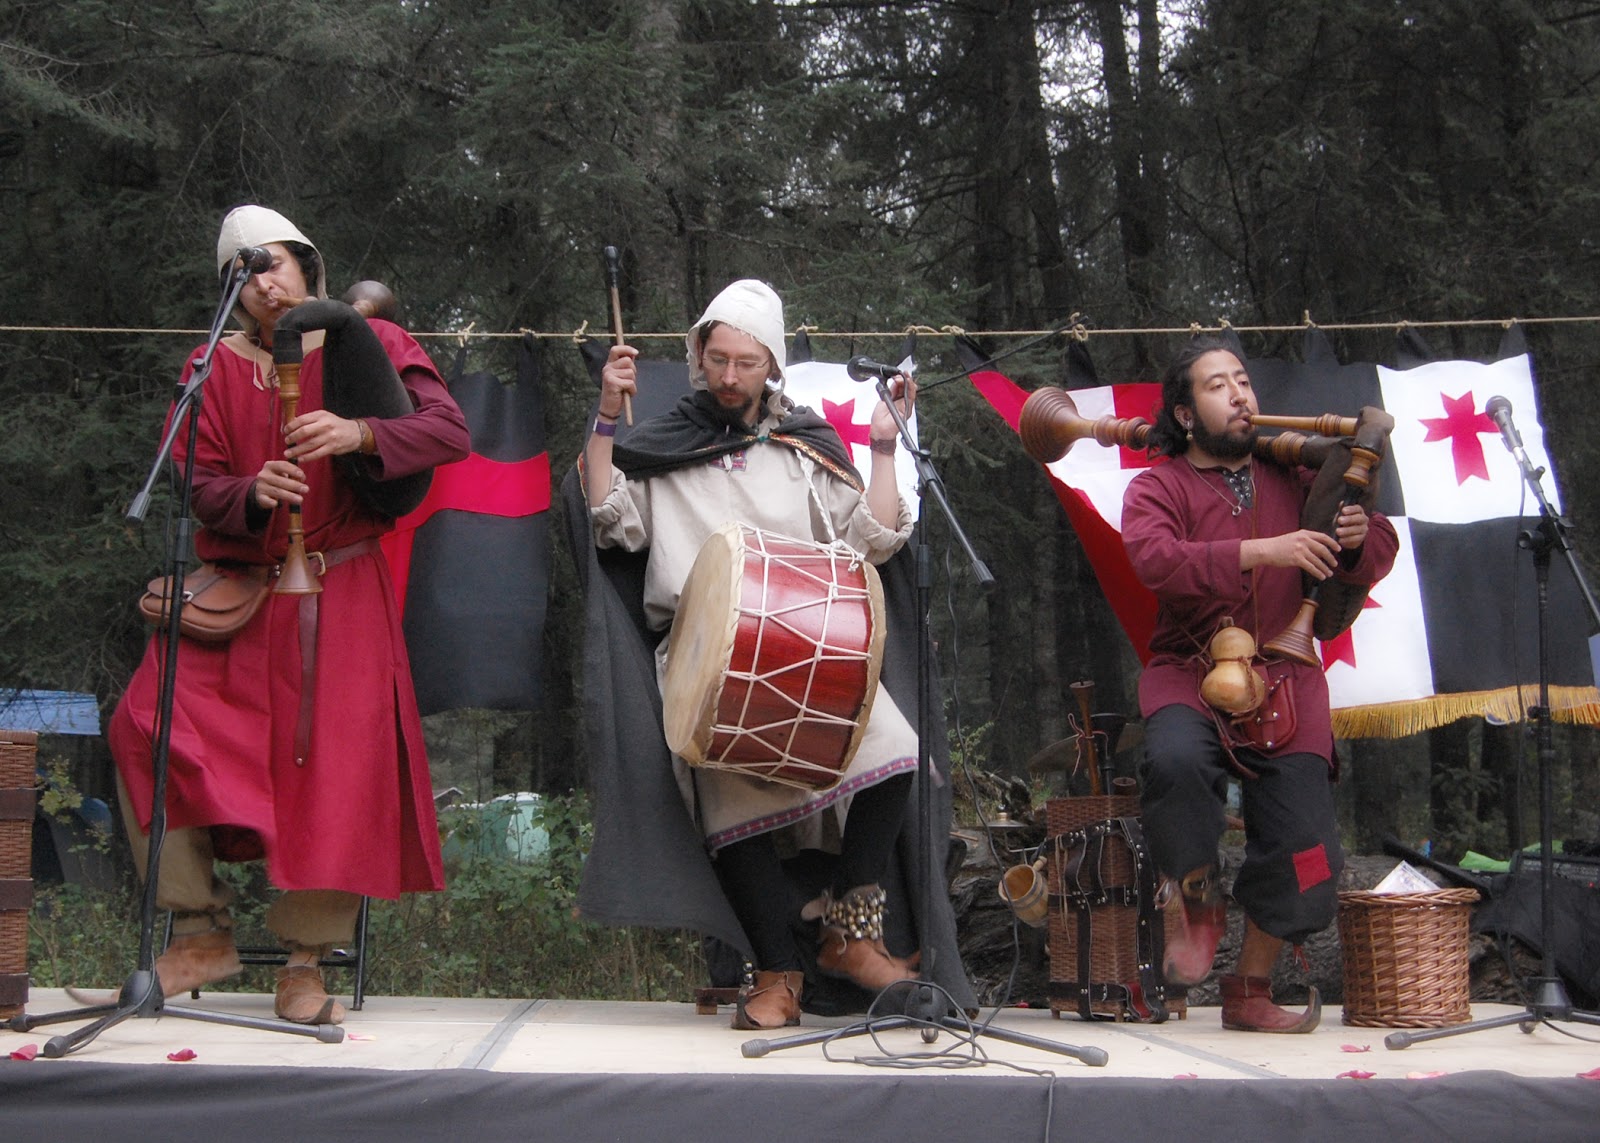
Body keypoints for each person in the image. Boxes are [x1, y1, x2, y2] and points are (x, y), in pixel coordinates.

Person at [100, 205, 469, 1024]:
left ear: (308, 265)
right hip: (241, 594)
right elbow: (196, 485)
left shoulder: (368, 342)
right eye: (245, 272)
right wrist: (249, 492)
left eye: (275, 264)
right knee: (141, 724)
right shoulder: (211, 368)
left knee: (342, 765)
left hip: (341, 590)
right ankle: (200, 929)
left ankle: (306, 962)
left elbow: (447, 430)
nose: (265, 283)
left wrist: (360, 431)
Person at [581, 279, 935, 1030]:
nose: (731, 376)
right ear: (698, 356)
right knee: (730, 808)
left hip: (810, 647)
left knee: (896, 751)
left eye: (747, 361)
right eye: (718, 359)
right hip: (703, 652)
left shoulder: (802, 443)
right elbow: (610, 516)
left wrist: (877, 446)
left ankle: (850, 930)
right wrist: (608, 415)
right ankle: (777, 971)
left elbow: (873, 538)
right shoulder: (663, 443)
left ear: (771, 364)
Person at [1121, 334, 1398, 1032]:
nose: (1241, 393)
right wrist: (1262, 551)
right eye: (1218, 385)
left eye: (1243, 380)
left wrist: (1360, 535)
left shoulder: (1296, 475)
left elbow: (1381, 548)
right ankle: (1195, 894)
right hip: (1191, 670)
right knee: (1175, 759)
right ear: (1186, 415)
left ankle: (1249, 986)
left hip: (1287, 677)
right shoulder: (1158, 485)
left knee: (1310, 853)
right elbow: (1155, 560)